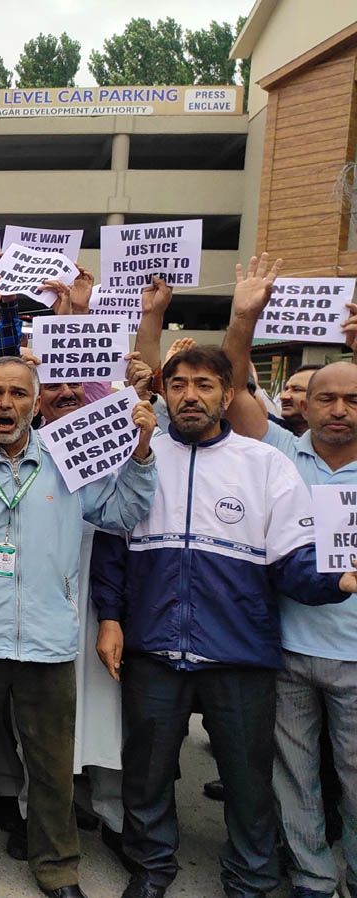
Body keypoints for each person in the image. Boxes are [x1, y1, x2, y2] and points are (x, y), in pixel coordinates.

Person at [93, 333, 357, 898]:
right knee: (147, 772)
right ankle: (152, 866)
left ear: (228, 392)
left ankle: (251, 876)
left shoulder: (265, 465)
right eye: (179, 385)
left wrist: (339, 581)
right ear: (163, 392)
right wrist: (111, 618)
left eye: (204, 385)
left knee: (247, 780)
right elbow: (112, 549)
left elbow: (293, 562)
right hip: (154, 650)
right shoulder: (138, 456)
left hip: (239, 653)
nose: (190, 395)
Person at [0, 350, 157, 898]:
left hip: (47, 642)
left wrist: (140, 456)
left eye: (18, 393)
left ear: (37, 402)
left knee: (51, 766)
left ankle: (57, 868)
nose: (5, 403)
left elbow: (120, 514)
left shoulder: (67, 461)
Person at [221, 254, 357, 898]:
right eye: (325, 397)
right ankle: (310, 876)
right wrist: (243, 319)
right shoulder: (278, 451)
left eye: (351, 399)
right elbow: (237, 392)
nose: (335, 410)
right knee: (294, 776)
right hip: (289, 648)